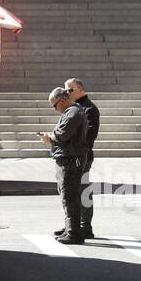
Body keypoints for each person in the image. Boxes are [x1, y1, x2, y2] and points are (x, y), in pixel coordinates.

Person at [38, 86, 89, 244]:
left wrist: (49, 138)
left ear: (62, 100)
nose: (54, 109)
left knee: (69, 195)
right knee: (67, 193)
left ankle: (74, 233)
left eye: (55, 105)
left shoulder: (73, 112)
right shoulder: (72, 111)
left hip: (71, 159)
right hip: (69, 157)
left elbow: (62, 135)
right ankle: (71, 228)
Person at [64, 78, 101, 239]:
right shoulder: (75, 107)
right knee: (72, 191)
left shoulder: (89, 109)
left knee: (83, 190)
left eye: (70, 90)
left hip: (82, 156)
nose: (67, 93)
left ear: (81, 89)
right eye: (66, 90)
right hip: (74, 155)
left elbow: (88, 137)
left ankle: (85, 226)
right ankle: (73, 225)